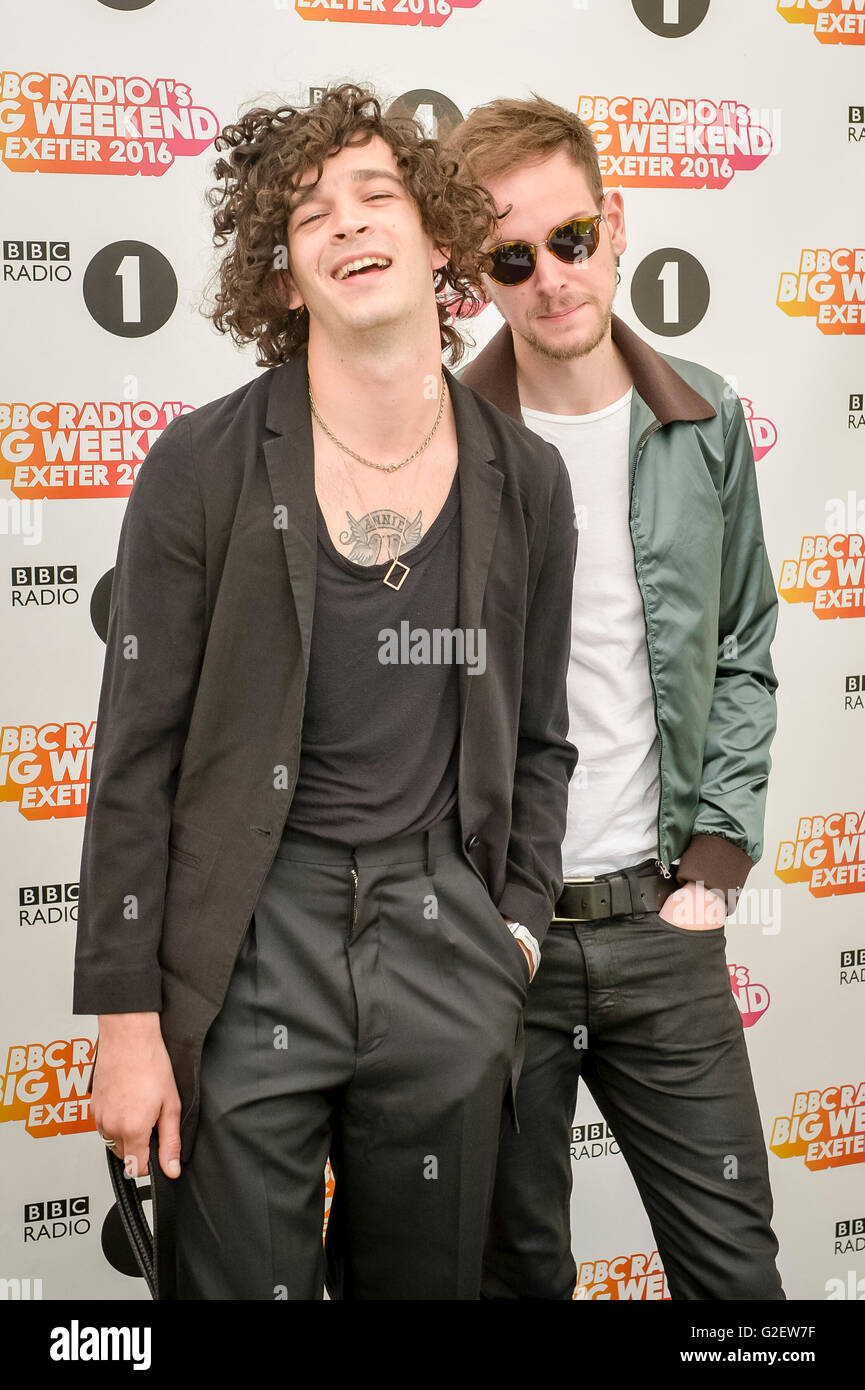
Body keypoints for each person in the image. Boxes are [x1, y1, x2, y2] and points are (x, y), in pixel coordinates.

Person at [72, 83, 578, 1300]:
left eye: (375, 194)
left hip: (442, 935)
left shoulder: (526, 478)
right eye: (309, 214)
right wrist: (126, 1022)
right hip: (250, 936)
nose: (347, 221)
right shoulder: (199, 466)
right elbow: (134, 756)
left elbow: (540, 737)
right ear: (287, 280)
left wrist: (510, 931)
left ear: (439, 240)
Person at [447, 94, 784, 1301]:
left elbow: (743, 641)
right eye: (510, 257)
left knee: (736, 1282)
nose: (550, 277)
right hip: (492, 940)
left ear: (616, 224)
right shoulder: (441, 440)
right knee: (513, 1275)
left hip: (660, 923)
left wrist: (716, 862)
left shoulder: (703, 414)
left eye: (571, 238)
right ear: (474, 277)